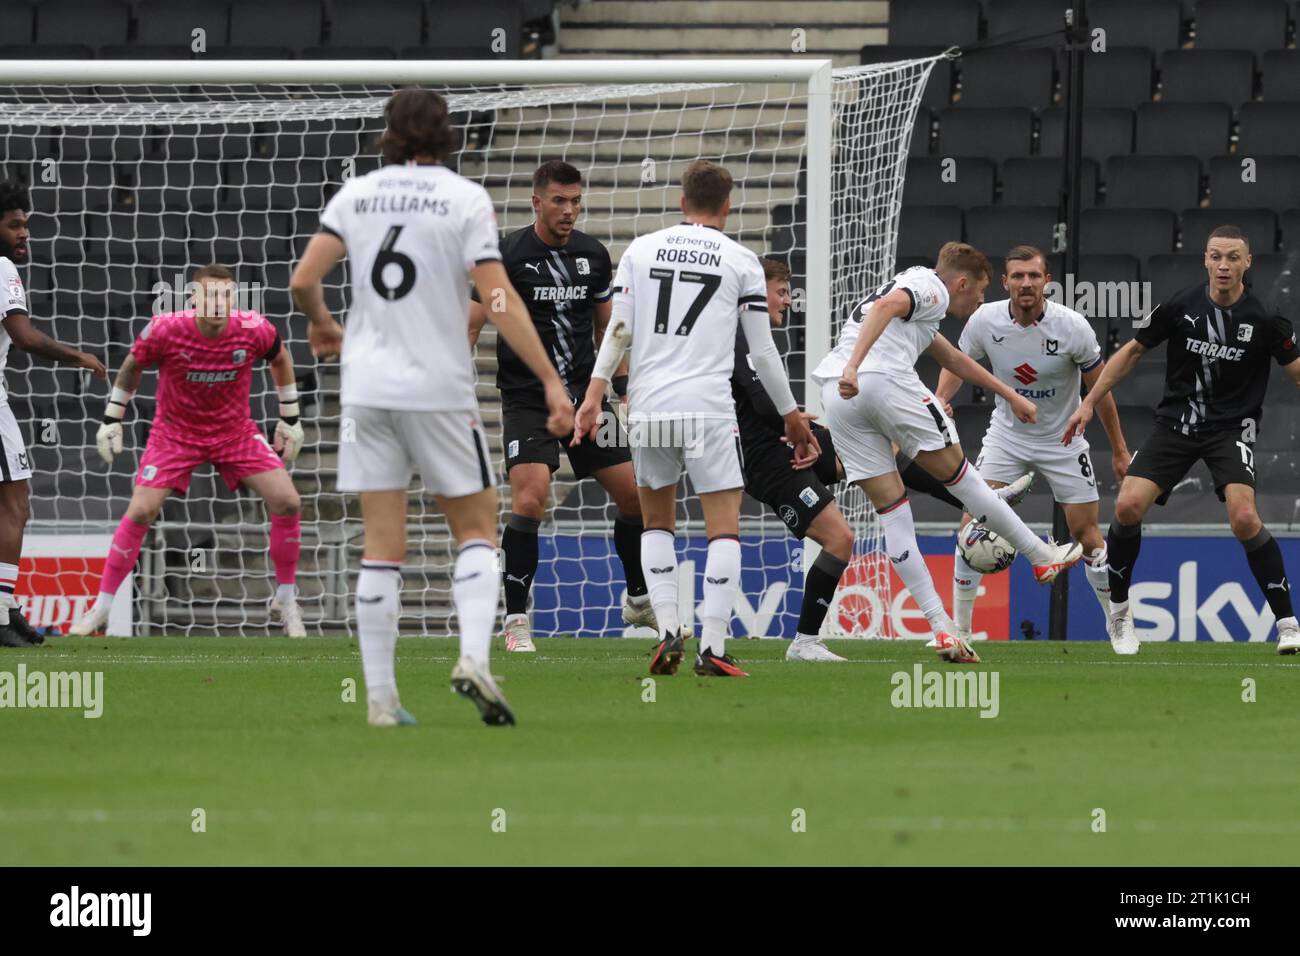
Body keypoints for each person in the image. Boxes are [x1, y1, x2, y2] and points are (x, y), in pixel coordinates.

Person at [291, 88, 572, 726]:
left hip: (366, 391)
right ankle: (474, 658)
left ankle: (382, 701)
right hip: (439, 389)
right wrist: (550, 379)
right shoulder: (463, 198)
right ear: (448, 136)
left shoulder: (357, 195)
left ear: (387, 135)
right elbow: (497, 299)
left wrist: (324, 326)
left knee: (382, 548)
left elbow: (304, 279)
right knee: (475, 531)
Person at [1063, 225, 1300, 654]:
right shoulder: (1180, 306)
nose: (1223, 265)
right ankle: (1119, 615)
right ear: (1205, 260)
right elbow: (1132, 352)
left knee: (1244, 518)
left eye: (1232, 257)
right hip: (1175, 424)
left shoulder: (1266, 316)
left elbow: (1296, 370)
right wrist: (1088, 402)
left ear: (1247, 263)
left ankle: (1286, 624)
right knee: (1127, 506)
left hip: (1231, 429)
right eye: (1215, 256)